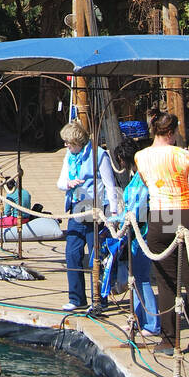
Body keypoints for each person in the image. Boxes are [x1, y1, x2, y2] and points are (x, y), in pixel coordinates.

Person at [135, 111, 189, 353]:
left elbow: (149, 185)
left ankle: (169, 340)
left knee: (166, 280)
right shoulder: (184, 156)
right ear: (170, 132)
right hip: (187, 212)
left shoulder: (141, 156)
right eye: (176, 131)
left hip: (162, 214)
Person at [57, 118, 121, 311]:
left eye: (69, 143)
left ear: (78, 142)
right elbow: (60, 182)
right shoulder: (69, 157)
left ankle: (99, 298)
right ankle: (76, 298)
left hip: (95, 210)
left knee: (97, 255)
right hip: (76, 208)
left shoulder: (99, 156)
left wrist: (114, 213)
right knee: (72, 253)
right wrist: (68, 184)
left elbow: (110, 186)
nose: (66, 146)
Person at [109, 137, 160, 336]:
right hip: (136, 231)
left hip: (142, 233)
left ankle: (152, 324)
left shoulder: (140, 179)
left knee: (141, 278)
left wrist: (120, 220)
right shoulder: (138, 176)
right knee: (136, 278)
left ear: (122, 159)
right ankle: (139, 319)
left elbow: (137, 208)